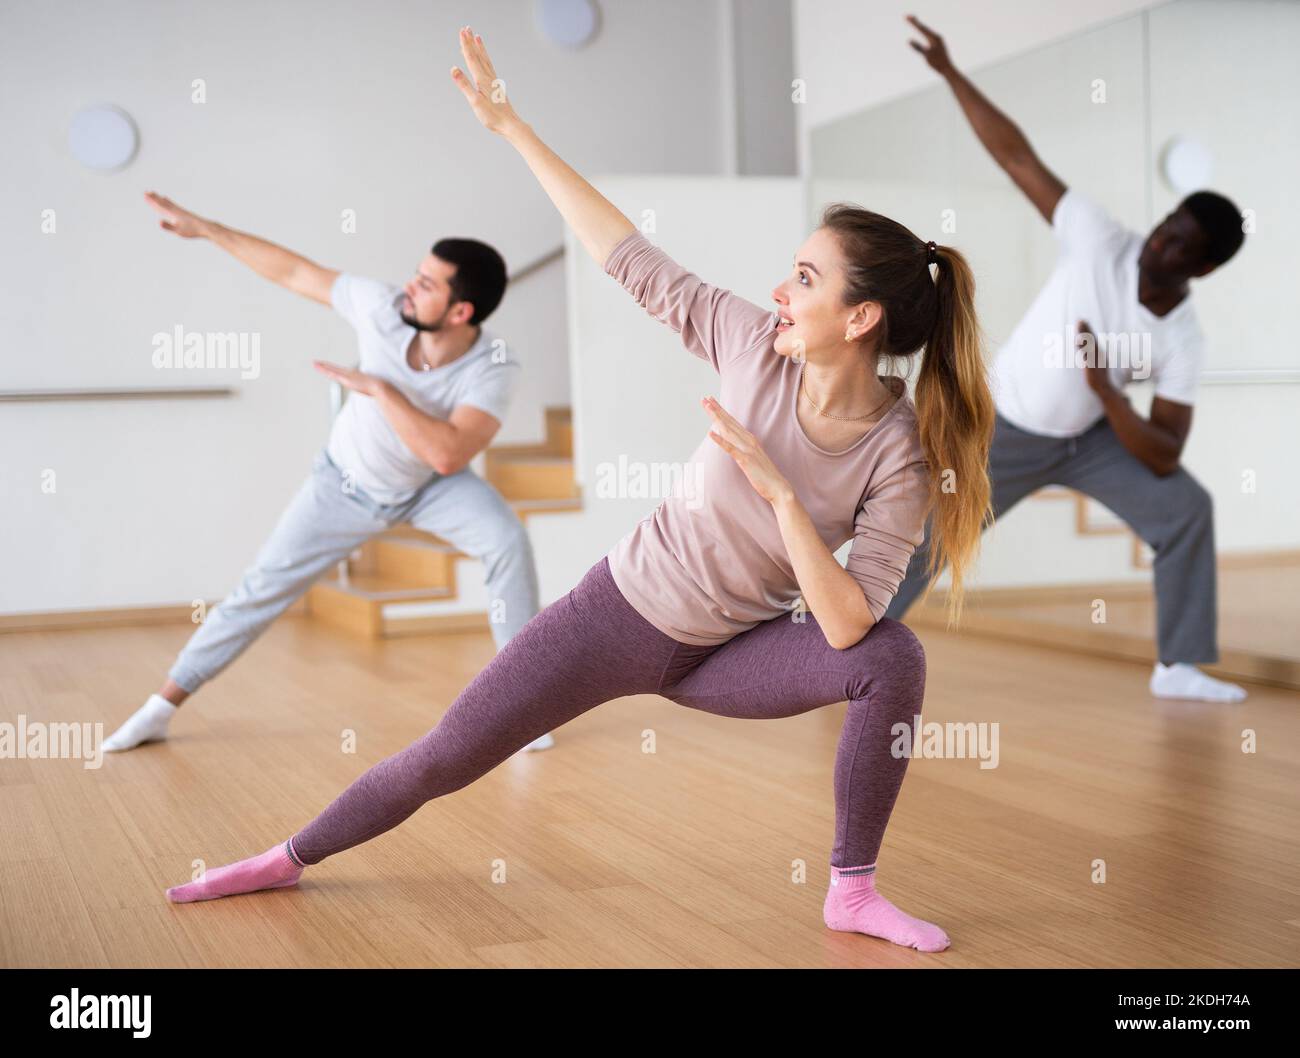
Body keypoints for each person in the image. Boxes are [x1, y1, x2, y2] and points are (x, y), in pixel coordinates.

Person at [161, 26, 997, 954]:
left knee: (896, 657)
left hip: (734, 653)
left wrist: (785, 500)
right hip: (619, 615)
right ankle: (285, 856)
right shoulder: (748, 343)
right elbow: (623, 252)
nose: (779, 289)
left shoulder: (902, 456)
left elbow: (848, 627)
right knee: (446, 756)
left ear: (860, 316)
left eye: (804, 278)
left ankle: (851, 889)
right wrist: (510, 125)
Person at [103, 190, 554, 753]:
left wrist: (382, 389)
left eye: (428, 283)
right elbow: (293, 270)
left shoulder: (493, 367)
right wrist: (209, 229)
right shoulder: (381, 309)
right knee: (261, 587)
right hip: (344, 484)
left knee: (507, 539)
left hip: (431, 487)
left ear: (462, 312)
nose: (409, 286)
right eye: (417, 273)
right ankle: (160, 707)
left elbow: (447, 455)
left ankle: (521, 708)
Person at [888, 16, 1249, 704]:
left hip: (1092, 439)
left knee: (1186, 508)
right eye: (1167, 224)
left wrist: (1107, 393)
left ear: (1200, 266)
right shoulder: (1099, 238)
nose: (1159, 241)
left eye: (1178, 244)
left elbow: (1166, 451)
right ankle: (847, 645)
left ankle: (1178, 665)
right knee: (924, 533)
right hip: (1004, 425)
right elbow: (1017, 158)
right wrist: (951, 72)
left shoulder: (1183, 337)